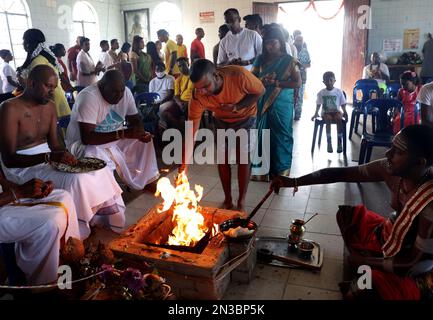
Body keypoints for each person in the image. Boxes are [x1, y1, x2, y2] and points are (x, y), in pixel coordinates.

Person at [271, 125, 433, 300]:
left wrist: (366, 262)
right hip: (391, 235)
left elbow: (411, 263)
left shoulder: (429, 205)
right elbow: (340, 174)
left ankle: (371, 265)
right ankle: (370, 261)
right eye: (391, 147)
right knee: (348, 216)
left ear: (420, 163)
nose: (388, 154)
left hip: (414, 268)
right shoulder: (390, 169)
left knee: (363, 289)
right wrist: (294, 181)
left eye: (398, 152)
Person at [0, 65, 125, 239]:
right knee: (76, 180)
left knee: (99, 170)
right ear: (31, 83)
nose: (52, 92)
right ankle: (75, 234)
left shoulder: (50, 107)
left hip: (47, 160)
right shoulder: (9, 108)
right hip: (22, 168)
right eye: (48, 86)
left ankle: (101, 222)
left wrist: (66, 156)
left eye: (54, 88)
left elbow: (55, 144)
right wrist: (49, 157)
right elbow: (9, 160)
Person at [185, 59, 265, 211]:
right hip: (221, 120)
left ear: (216, 75)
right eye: (198, 89)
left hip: (245, 117)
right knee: (223, 159)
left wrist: (237, 106)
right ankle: (228, 199)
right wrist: (184, 168)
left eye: (205, 87)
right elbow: (191, 133)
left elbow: (260, 90)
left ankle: (241, 200)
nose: (202, 92)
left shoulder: (238, 75)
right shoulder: (198, 96)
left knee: (243, 158)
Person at [66, 70, 159, 191]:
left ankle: (146, 180)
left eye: (121, 91)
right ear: (102, 86)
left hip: (114, 138)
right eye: (114, 92)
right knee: (93, 152)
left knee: (144, 142)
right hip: (84, 145)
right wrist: (123, 133)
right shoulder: (88, 97)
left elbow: (135, 120)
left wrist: (140, 132)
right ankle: (105, 194)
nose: (119, 96)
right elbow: (87, 138)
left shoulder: (125, 93)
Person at [0, 174, 81, 285]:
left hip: (4, 197)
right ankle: (41, 286)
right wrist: (19, 192)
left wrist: (31, 190)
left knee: (63, 195)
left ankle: (65, 259)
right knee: (48, 225)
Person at [250, 27, 301, 182]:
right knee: (263, 133)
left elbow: (297, 82)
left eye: (273, 43)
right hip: (263, 101)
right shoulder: (260, 60)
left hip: (282, 103)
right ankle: (261, 171)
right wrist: (262, 81)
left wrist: (277, 82)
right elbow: (252, 79)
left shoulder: (290, 61)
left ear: (281, 42)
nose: (270, 46)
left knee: (282, 135)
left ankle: (281, 172)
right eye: (267, 43)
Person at [17, 29, 71, 118]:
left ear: (28, 43)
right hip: (53, 98)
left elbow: (38, 88)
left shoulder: (38, 61)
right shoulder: (42, 58)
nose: (23, 43)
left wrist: (23, 82)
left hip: (50, 101)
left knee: (56, 129)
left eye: (23, 40)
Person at [312, 71, 348, 153]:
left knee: (339, 118)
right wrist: (316, 113)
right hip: (326, 112)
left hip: (336, 111)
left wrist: (345, 112)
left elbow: (343, 103)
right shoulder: (321, 93)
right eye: (326, 80)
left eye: (331, 80)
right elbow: (318, 104)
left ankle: (339, 141)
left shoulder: (339, 91)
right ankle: (329, 142)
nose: (329, 82)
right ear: (323, 82)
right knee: (328, 119)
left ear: (334, 80)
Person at [158, 57, 193, 131]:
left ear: (188, 63)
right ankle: (181, 129)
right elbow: (176, 95)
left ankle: (189, 132)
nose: (181, 68)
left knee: (188, 110)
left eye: (183, 65)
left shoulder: (195, 76)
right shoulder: (178, 80)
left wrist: (188, 102)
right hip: (180, 103)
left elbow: (199, 93)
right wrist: (180, 103)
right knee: (165, 113)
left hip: (192, 102)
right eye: (179, 66)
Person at [149, 62, 175, 128]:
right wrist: (154, 103)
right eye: (157, 69)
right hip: (156, 101)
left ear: (165, 69)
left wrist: (160, 102)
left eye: (161, 69)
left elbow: (170, 94)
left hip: (168, 101)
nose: (159, 71)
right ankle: (154, 128)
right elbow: (151, 96)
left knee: (161, 108)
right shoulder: (152, 82)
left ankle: (163, 125)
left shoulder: (170, 78)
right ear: (155, 71)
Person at [293, 35, 311, 121]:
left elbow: (309, 64)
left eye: (301, 40)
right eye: (297, 40)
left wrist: (302, 66)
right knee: (292, 96)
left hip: (302, 77)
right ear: (294, 40)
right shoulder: (291, 48)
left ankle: (297, 115)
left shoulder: (305, 51)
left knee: (300, 97)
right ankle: (290, 114)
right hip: (291, 77)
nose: (299, 42)